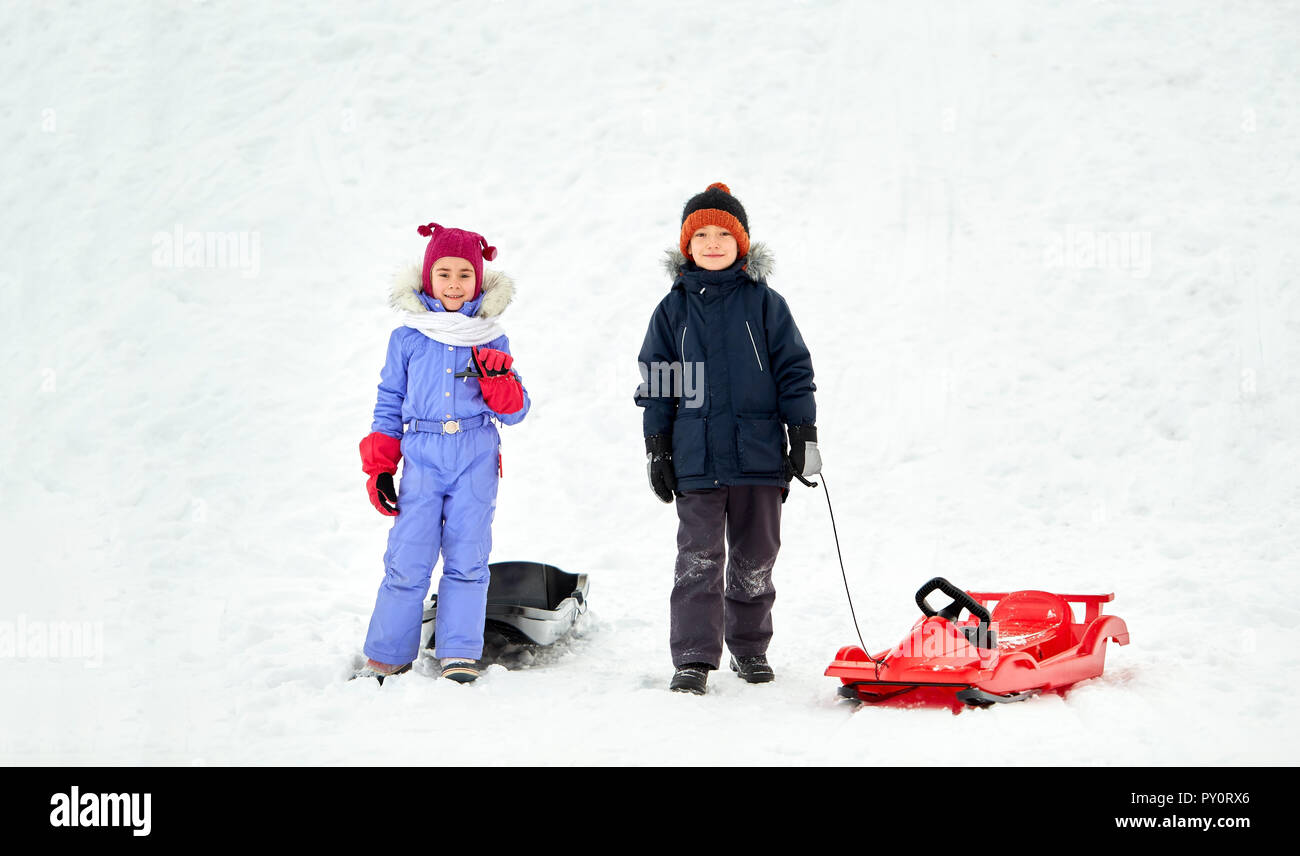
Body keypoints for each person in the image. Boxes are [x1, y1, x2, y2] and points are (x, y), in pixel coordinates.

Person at [635, 182, 822, 695]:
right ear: (686, 246)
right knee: (698, 559)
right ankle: (693, 656)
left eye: (724, 233)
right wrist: (659, 447)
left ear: (741, 243)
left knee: (755, 556)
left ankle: (751, 648)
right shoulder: (673, 311)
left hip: (760, 456)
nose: (713, 243)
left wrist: (802, 433)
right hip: (698, 458)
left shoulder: (765, 304)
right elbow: (658, 385)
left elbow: (793, 371)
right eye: (702, 236)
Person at [355, 223, 530, 685]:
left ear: (479, 281)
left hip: (475, 454)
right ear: (428, 278)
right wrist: (380, 466)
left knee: (468, 557)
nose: (454, 285)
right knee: (408, 557)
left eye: (465, 275)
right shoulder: (408, 337)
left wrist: (499, 383)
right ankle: (387, 654)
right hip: (423, 454)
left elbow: (516, 412)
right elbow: (389, 401)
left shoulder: (490, 337)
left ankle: (458, 653)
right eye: (445, 274)